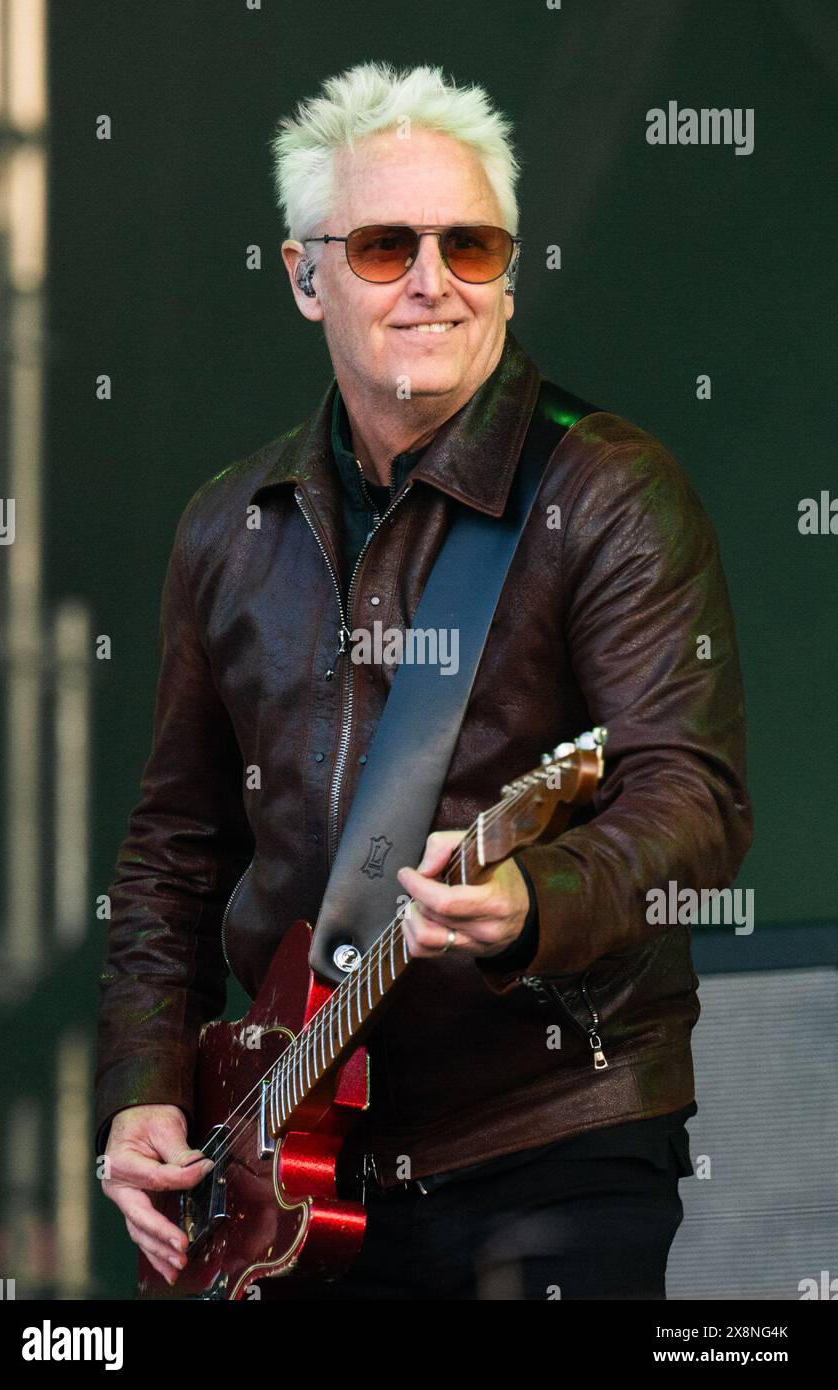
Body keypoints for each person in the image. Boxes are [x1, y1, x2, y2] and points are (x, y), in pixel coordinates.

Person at [95, 61, 753, 1300]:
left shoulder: (606, 491)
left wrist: (532, 897)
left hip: (551, 1133)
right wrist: (142, 1095)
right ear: (304, 275)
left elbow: (692, 798)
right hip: (288, 1161)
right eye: (388, 245)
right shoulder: (230, 525)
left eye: (473, 244)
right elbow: (173, 852)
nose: (434, 281)